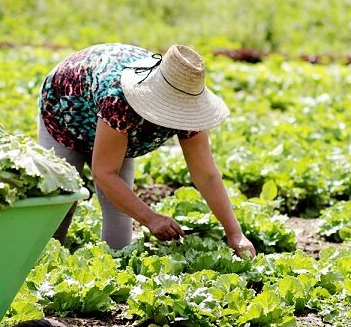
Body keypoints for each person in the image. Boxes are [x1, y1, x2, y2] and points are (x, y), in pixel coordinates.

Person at [38, 43, 256, 258]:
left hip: (108, 117)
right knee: (61, 201)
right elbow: (104, 173)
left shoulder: (189, 107)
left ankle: (114, 273)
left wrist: (235, 233)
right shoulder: (120, 100)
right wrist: (151, 218)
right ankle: (42, 264)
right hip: (66, 110)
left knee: (120, 215)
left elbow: (207, 175)